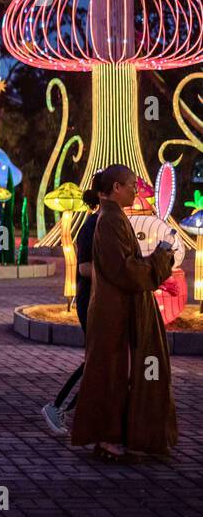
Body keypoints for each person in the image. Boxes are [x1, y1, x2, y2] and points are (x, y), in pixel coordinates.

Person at [69, 165, 178, 463]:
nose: (136, 190)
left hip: (116, 310)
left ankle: (116, 436)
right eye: (131, 185)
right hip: (112, 312)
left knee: (116, 373)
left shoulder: (114, 218)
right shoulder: (108, 221)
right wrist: (160, 259)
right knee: (111, 374)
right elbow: (124, 270)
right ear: (116, 187)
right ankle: (107, 438)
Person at [41, 191, 99, 434]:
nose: (134, 193)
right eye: (129, 186)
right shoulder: (93, 225)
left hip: (103, 300)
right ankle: (59, 407)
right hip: (93, 300)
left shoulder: (108, 222)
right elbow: (85, 267)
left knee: (102, 361)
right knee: (97, 359)